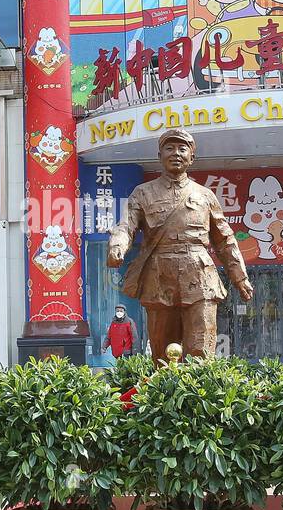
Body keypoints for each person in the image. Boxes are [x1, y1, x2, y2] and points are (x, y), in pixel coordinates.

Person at [106, 129, 254, 362]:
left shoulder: (205, 195)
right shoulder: (142, 193)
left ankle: (199, 394)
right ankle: (162, 396)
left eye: (182, 149)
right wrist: (117, 246)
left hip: (199, 272)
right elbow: (125, 226)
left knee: (201, 347)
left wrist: (240, 277)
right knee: (162, 352)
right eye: (169, 148)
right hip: (159, 275)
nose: (176, 153)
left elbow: (225, 238)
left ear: (191, 158)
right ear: (159, 155)